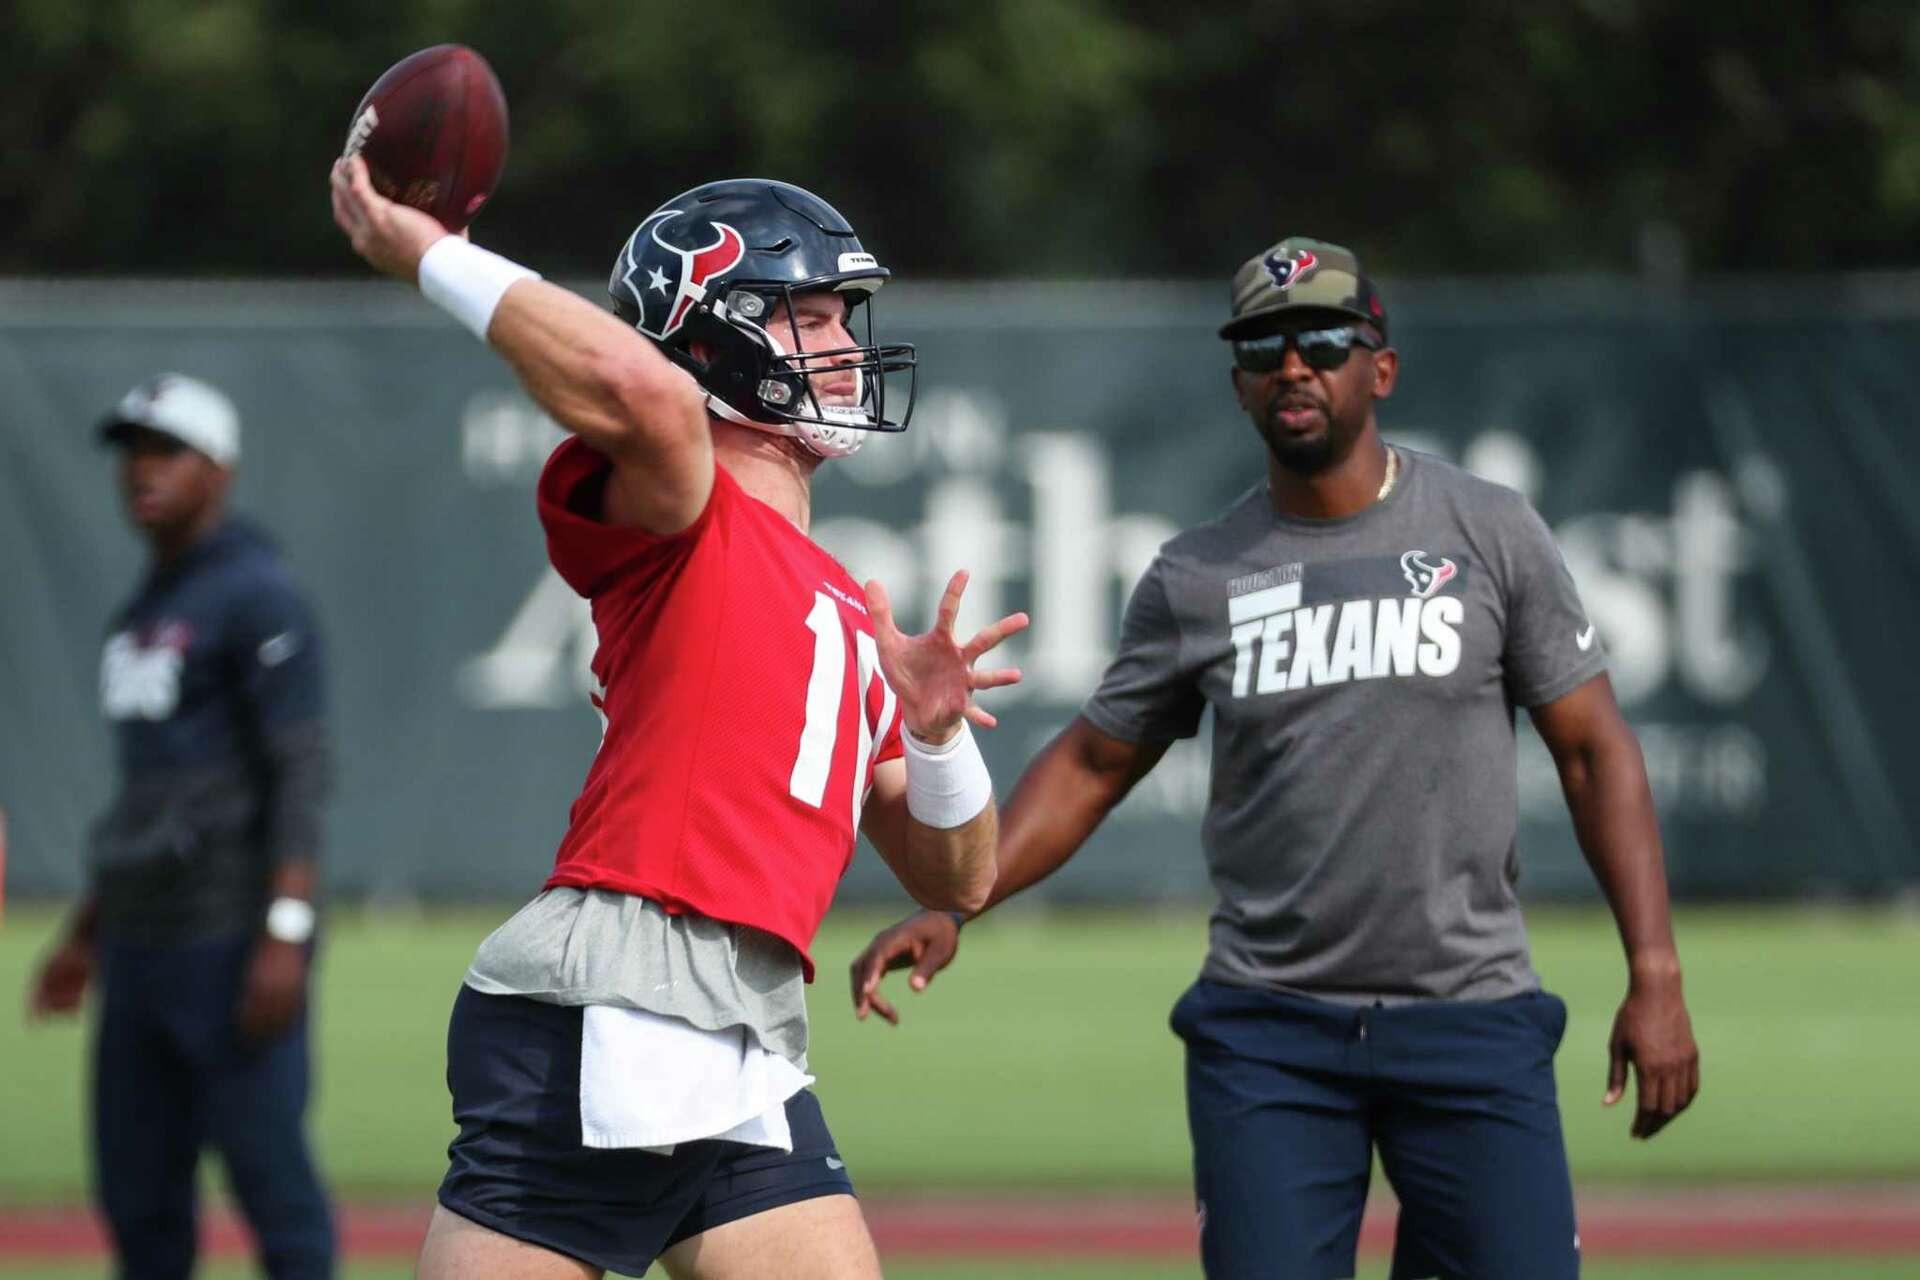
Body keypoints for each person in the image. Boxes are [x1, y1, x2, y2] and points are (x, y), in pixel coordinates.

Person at [851, 237, 1703, 1279]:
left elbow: (1593, 752)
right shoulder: (1195, 576)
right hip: (1271, 1036)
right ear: (1239, 385)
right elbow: (1090, 765)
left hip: (1472, 1019)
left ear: (1378, 366)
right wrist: (959, 898)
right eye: (1263, 346)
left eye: (1322, 340)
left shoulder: (1489, 530)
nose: (1292, 363)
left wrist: (1653, 974)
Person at [329, 154, 1026, 1280]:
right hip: (616, 999)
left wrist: (939, 739)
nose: (848, 343)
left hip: (744, 1023)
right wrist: (426, 251)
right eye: (810, 317)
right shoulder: (683, 510)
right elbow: (647, 394)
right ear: (712, 335)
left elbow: (961, 876)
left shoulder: (849, 603)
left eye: (847, 314)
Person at [27, 373, 336, 1279]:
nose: (141, 472)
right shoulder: (143, 611)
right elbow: (147, 795)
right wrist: (85, 936)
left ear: (219, 469)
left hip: (231, 935)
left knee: (272, 1187)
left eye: (166, 451)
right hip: (140, 948)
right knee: (139, 1197)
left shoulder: (258, 594)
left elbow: (300, 769)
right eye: (131, 453)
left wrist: (285, 930)